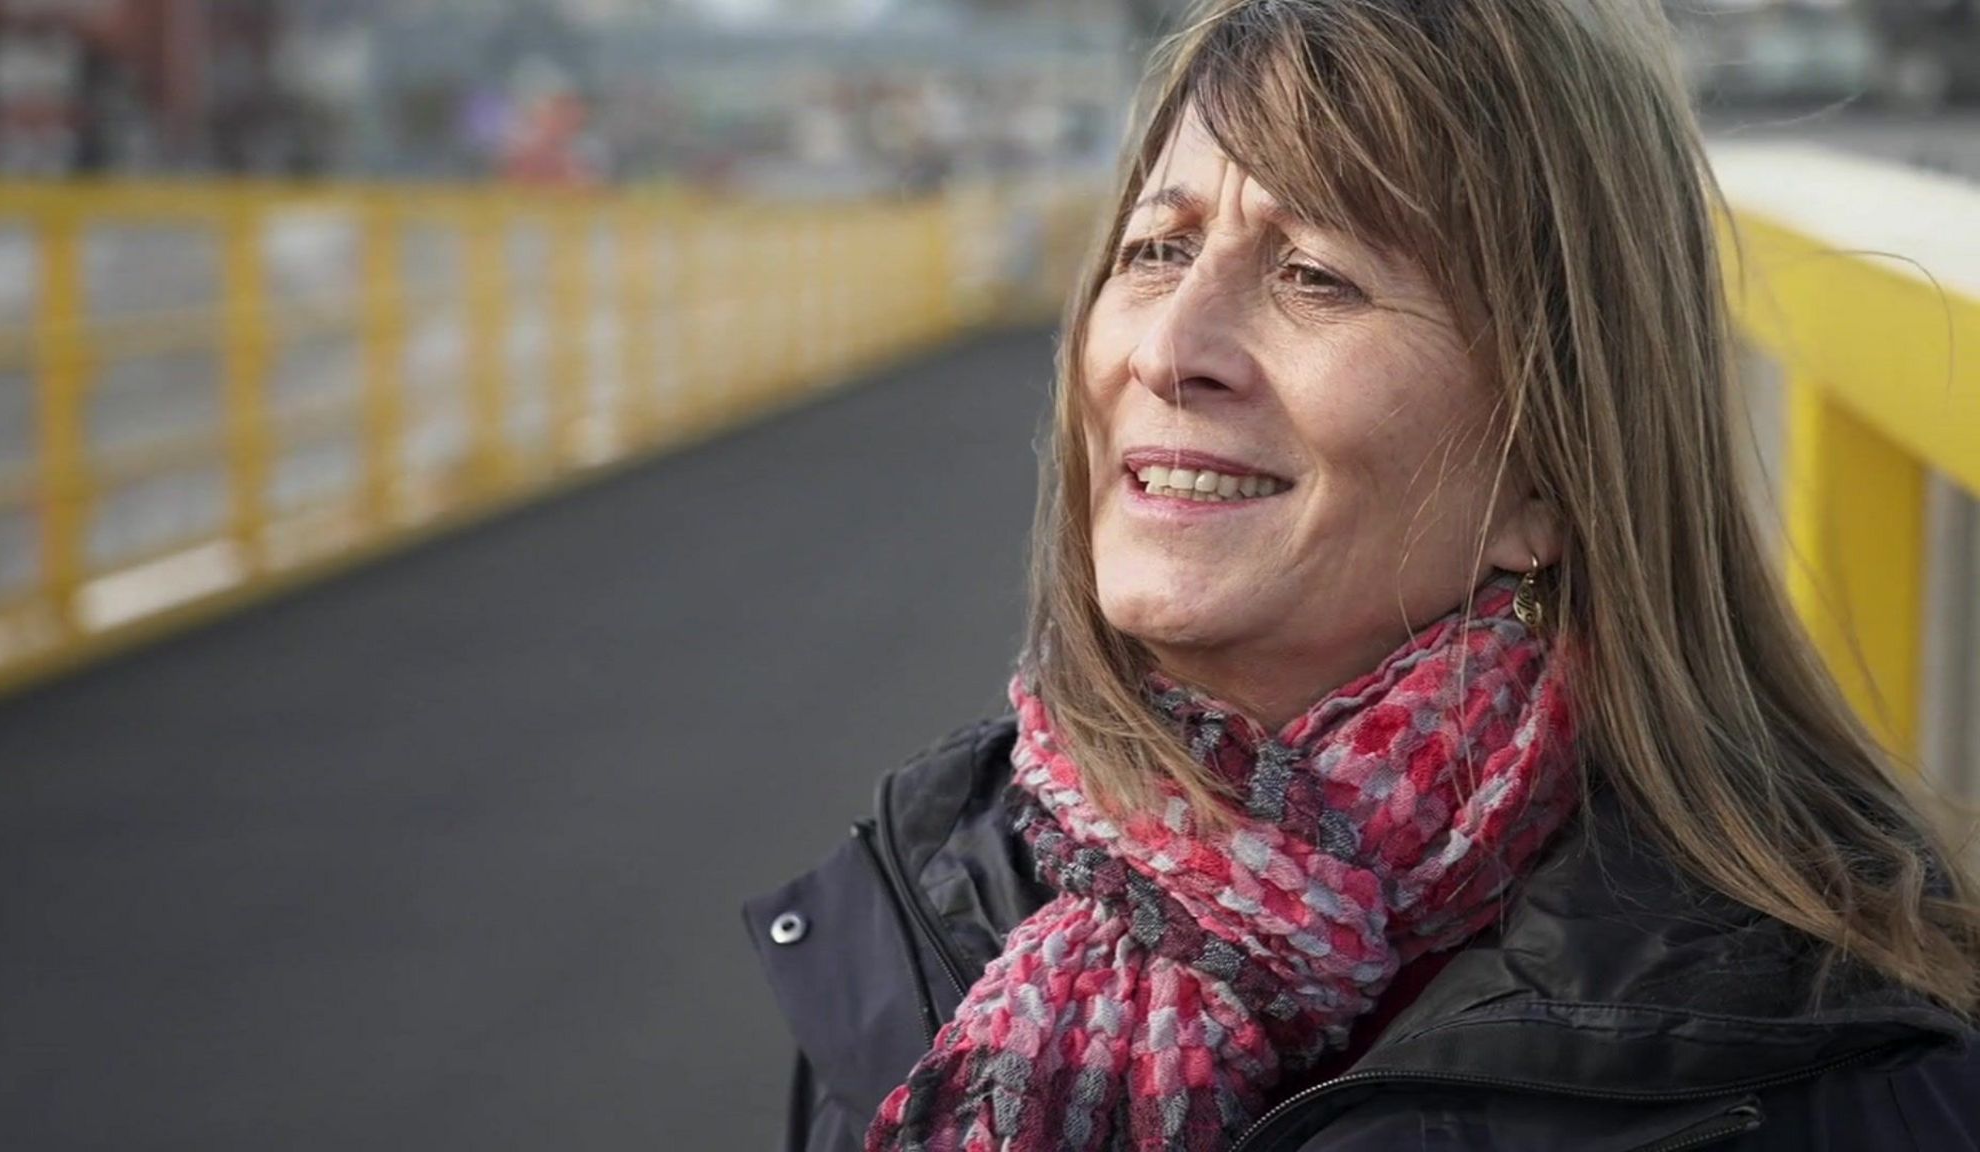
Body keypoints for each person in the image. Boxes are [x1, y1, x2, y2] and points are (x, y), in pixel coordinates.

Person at [744, 1, 1980, 1148]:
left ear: (1549, 466)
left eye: (1313, 276)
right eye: (1156, 249)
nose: (1170, 348)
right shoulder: (918, 913)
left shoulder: (1826, 1076)